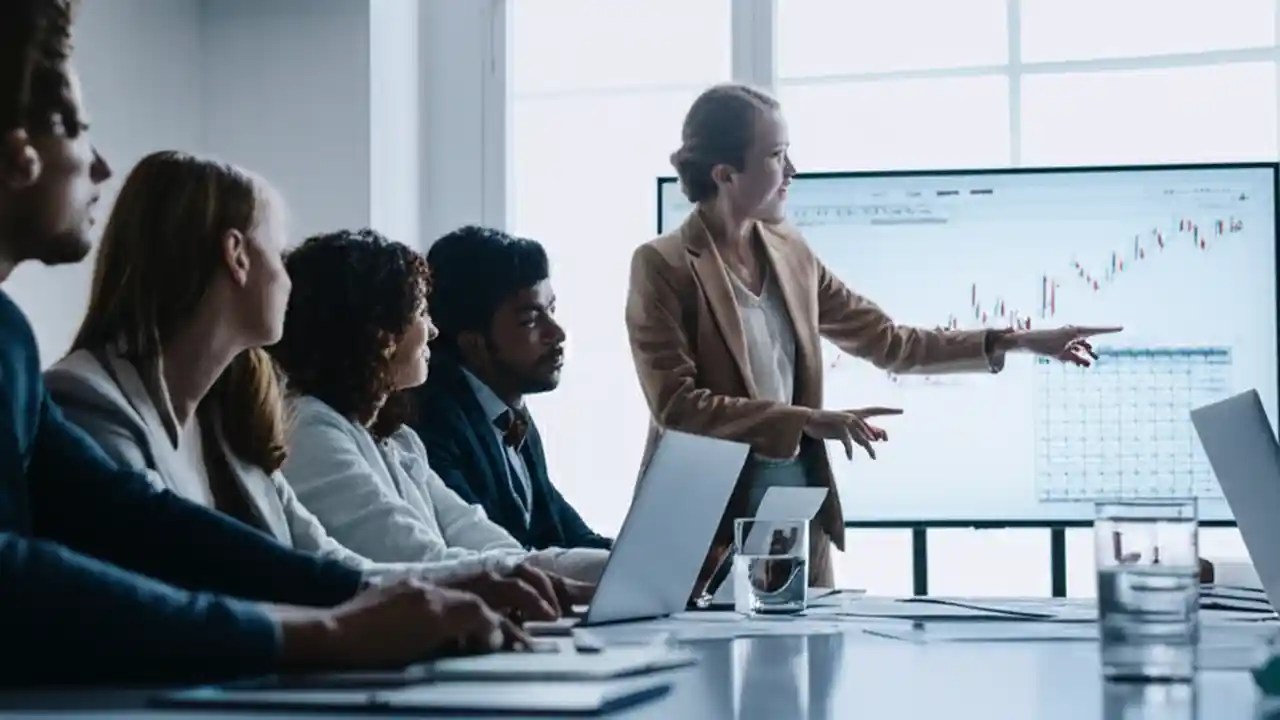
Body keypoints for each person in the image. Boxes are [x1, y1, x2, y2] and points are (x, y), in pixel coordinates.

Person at [0, 0, 521, 684]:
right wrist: (328, 631)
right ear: (17, 156)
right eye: (74, 128)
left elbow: (133, 518)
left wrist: (363, 600)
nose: (100, 166)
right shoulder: (80, 389)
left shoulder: (9, 338)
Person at [626, 83, 1122, 587]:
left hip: (794, 506)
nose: (792, 172)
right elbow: (677, 406)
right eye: (777, 156)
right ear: (725, 174)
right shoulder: (663, 266)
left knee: (808, 658)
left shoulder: (790, 251)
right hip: (704, 517)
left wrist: (1013, 341)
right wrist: (805, 419)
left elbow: (889, 342)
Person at [46, 150, 572, 621]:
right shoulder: (90, 402)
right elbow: (174, 585)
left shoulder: (231, 424)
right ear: (237, 255)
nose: (290, 279)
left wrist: (464, 588)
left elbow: (326, 564)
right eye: (276, 253)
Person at [269, 229, 607, 588]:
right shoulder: (310, 429)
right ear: (379, 334)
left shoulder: (398, 440)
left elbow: (493, 545)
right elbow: (420, 559)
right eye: (419, 311)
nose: (432, 331)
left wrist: (618, 570)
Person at [411, 226, 612, 551]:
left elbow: (572, 539)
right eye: (530, 320)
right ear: (473, 342)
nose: (557, 333)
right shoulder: (432, 421)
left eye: (552, 310)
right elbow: (491, 554)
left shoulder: (511, 416)